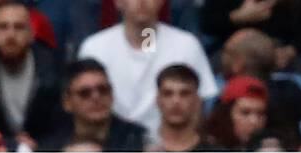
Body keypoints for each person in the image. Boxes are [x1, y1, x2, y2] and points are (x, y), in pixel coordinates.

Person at [77, 0, 218, 138]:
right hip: (112, 146)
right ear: (118, 2)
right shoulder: (94, 48)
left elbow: (202, 101)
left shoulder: (186, 46)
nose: (142, 2)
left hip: (170, 147)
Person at [0, 0, 63, 147]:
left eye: (19, 27)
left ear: (31, 34)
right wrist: (10, 144)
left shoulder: (53, 67)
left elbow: (63, 125)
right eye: (3, 27)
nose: (11, 35)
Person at [39, 59, 147, 152]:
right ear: (67, 102)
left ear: (112, 94)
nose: (96, 97)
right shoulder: (51, 147)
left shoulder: (137, 140)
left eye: (103, 90)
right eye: (85, 93)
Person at [151, 63, 213, 151]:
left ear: (197, 101)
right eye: (168, 94)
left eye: (184, 94)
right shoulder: (136, 149)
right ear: (157, 100)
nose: (176, 101)